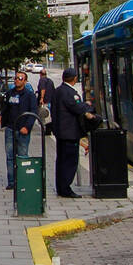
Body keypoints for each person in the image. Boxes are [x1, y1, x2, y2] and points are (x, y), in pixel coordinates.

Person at [53, 67, 97, 198]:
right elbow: (77, 107)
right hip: (70, 133)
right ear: (74, 79)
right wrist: (89, 107)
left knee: (61, 161)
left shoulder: (58, 91)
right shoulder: (70, 93)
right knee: (70, 162)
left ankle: (61, 187)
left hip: (60, 132)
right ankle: (66, 188)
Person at [0, 71, 38, 190]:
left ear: (25, 81)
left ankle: (22, 180)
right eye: (16, 78)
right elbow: (6, 108)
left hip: (23, 130)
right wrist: (1, 117)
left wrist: (27, 127)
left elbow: (33, 112)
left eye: (20, 78)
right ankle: (12, 182)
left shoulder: (29, 95)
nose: (17, 80)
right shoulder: (10, 93)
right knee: (10, 156)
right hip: (10, 128)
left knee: (23, 156)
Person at [36, 69, 56, 136]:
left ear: (40, 74)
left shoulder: (42, 80)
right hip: (51, 101)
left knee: (44, 116)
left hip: (45, 101)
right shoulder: (50, 81)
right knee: (49, 116)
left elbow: (43, 89)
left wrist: (41, 98)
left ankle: (46, 130)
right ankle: (49, 130)